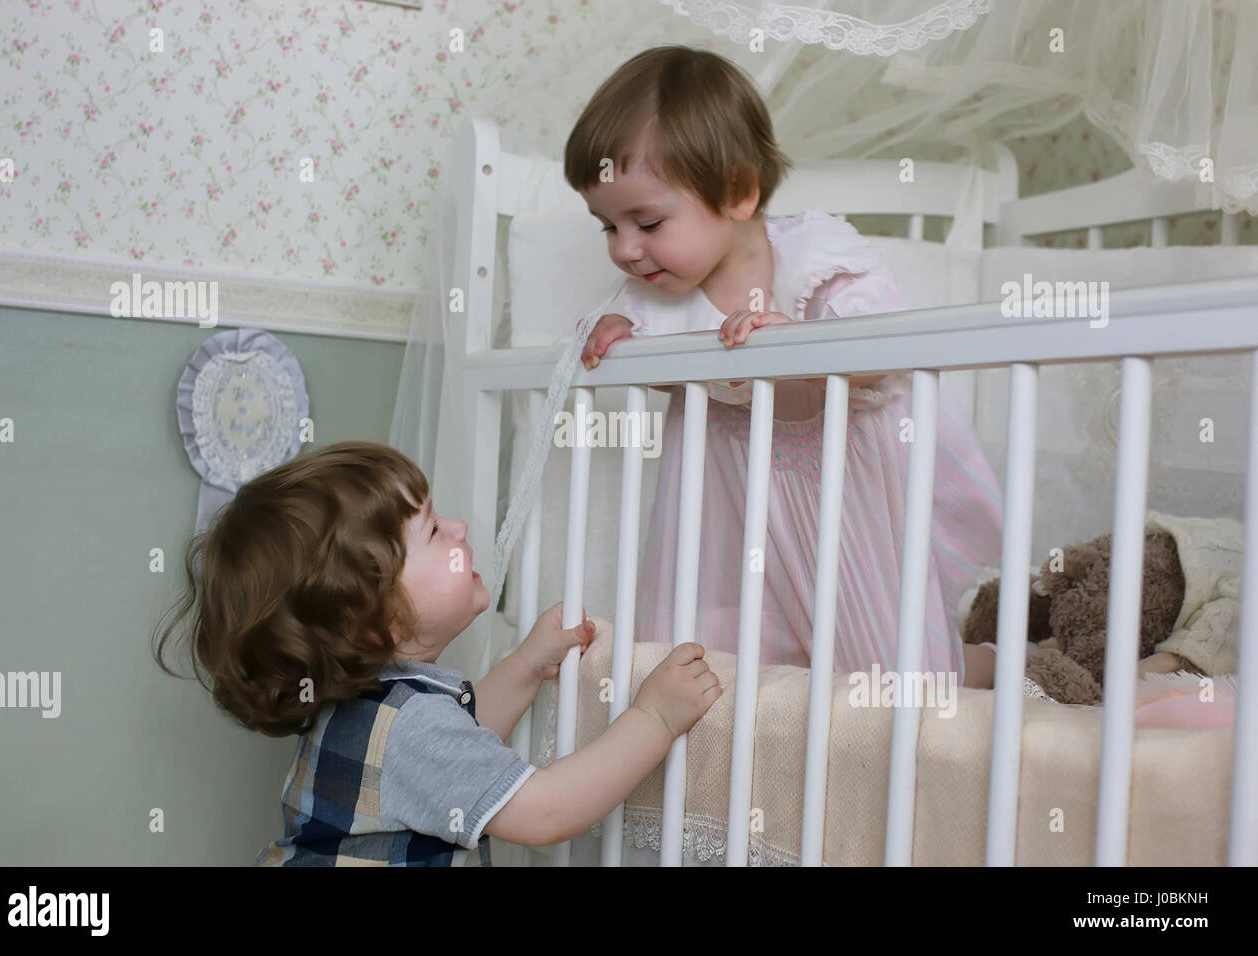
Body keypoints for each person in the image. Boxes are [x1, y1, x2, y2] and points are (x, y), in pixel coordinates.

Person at [568, 45, 1004, 684]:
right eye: (607, 227)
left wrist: (804, 345)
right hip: (727, 506)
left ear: (740, 192)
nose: (627, 250)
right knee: (726, 647)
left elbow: (883, 358)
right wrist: (614, 339)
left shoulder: (819, 261)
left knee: (892, 665)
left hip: (843, 501)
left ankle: (1003, 668)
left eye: (648, 221)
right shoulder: (659, 296)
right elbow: (656, 368)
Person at [153, 440, 721, 866]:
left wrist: (525, 667)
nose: (460, 527)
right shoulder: (410, 727)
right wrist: (654, 718)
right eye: (431, 532)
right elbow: (547, 811)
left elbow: (458, 750)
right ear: (374, 612)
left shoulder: (369, 708)